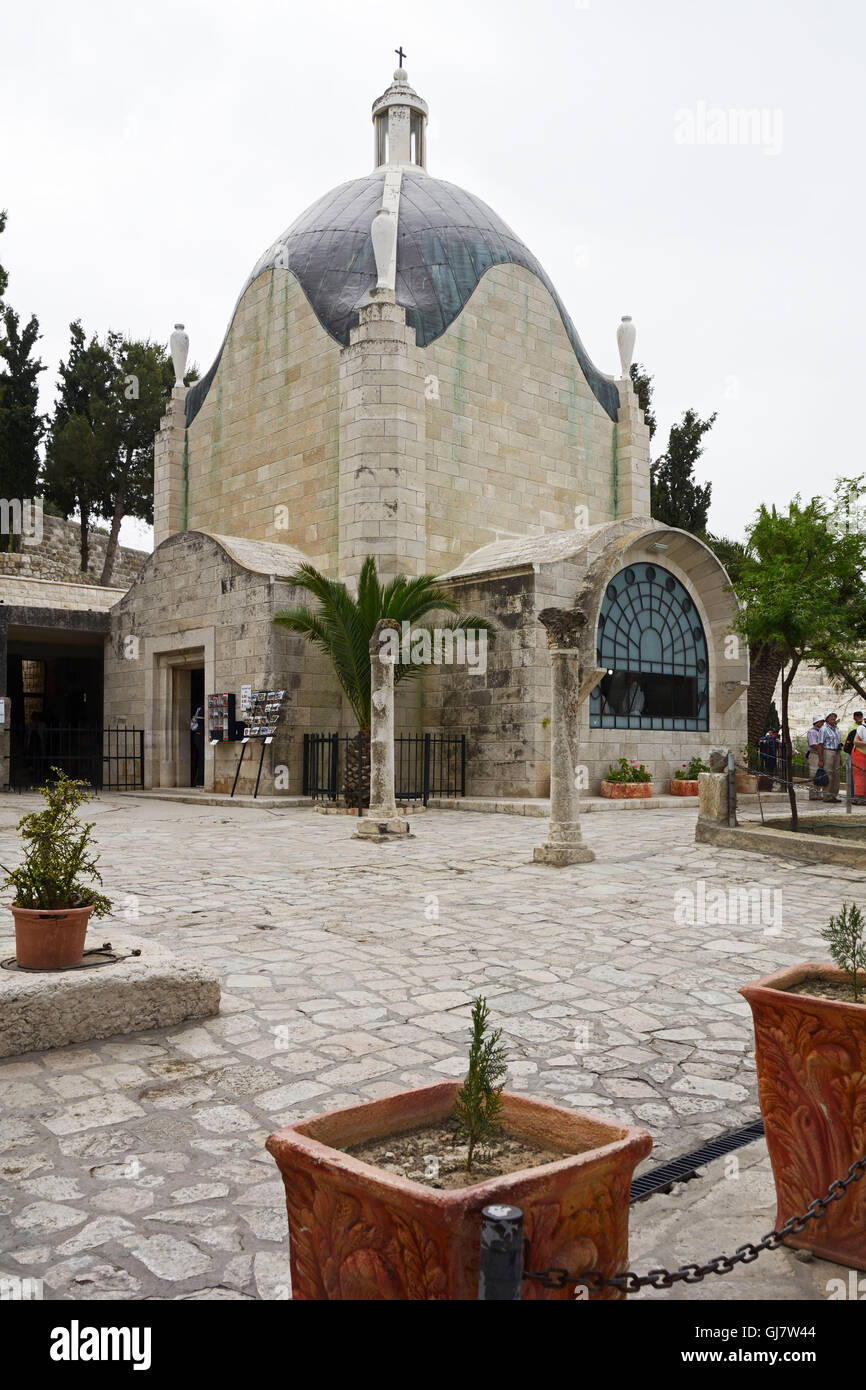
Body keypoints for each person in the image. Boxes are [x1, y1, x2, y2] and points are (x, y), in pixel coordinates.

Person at [817, 711, 842, 803]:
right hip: (828, 752)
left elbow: (839, 743)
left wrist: (840, 758)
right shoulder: (823, 729)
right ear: (826, 718)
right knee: (828, 774)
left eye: (834, 716)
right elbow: (820, 745)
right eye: (831, 716)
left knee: (836, 775)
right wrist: (820, 759)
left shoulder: (836, 728)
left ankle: (834, 795)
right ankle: (827, 796)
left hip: (837, 752)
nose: (833, 718)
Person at [849, 714, 866, 805]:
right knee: (860, 777)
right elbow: (855, 741)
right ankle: (859, 797)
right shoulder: (861, 728)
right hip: (859, 754)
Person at [807, 717, 824, 800]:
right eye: (821, 722)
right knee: (814, 774)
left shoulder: (821, 731)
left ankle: (818, 793)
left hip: (821, 754)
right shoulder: (812, 732)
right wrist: (822, 748)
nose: (822, 723)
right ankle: (813, 794)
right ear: (816, 722)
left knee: (820, 774)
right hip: (814, 754)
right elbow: (813, 744)